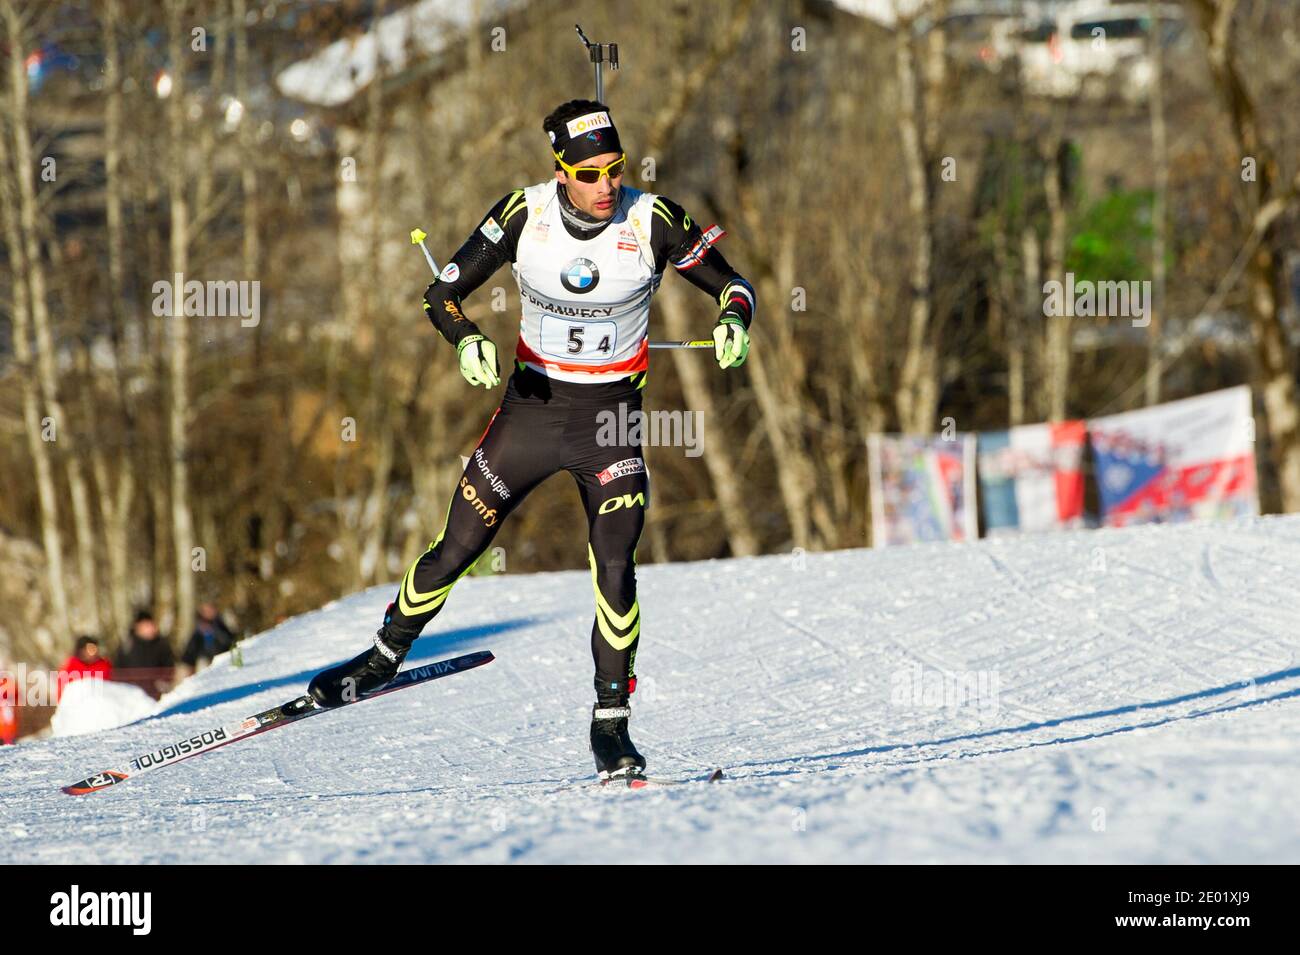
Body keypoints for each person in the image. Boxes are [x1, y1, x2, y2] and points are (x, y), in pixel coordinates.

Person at [309, 99, 755, 780]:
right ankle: (379, 659)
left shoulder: (652, 220)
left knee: (615, 566)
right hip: (531, 414)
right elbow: (442, 294)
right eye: (589, 172)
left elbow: (735, 285)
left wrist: (733, 321)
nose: (606, 184)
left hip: (610, 425)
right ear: (560, 171)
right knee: (455, 549)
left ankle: (611, 724)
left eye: (615, 169)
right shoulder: (524, 215)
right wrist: (465, 342)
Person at [115, 611, 176, 698]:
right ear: (138, 626)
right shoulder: (127, 645)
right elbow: (119, 668)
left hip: (156, 693)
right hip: (131, 693)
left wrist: (163, 682)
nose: (150, 629)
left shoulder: (162, 644)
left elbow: (169, 665)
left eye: (152, 625)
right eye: (146, 625)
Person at [56, 635, 113, 702]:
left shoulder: (103, 665)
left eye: (95, 648)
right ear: (81, 650)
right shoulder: (71, 665)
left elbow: (111, 687)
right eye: (90, 649)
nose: (94, 652)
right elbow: (62, 690)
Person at [182, 602, 235, 671]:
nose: (207, 613)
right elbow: (192, 646)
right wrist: (186, 660)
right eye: (204, 611)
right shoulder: (199, 626)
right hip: (203, 658)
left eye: (209, 610)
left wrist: (213, 631)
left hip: (219, 657)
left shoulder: (220, 623)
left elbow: (228, 640)